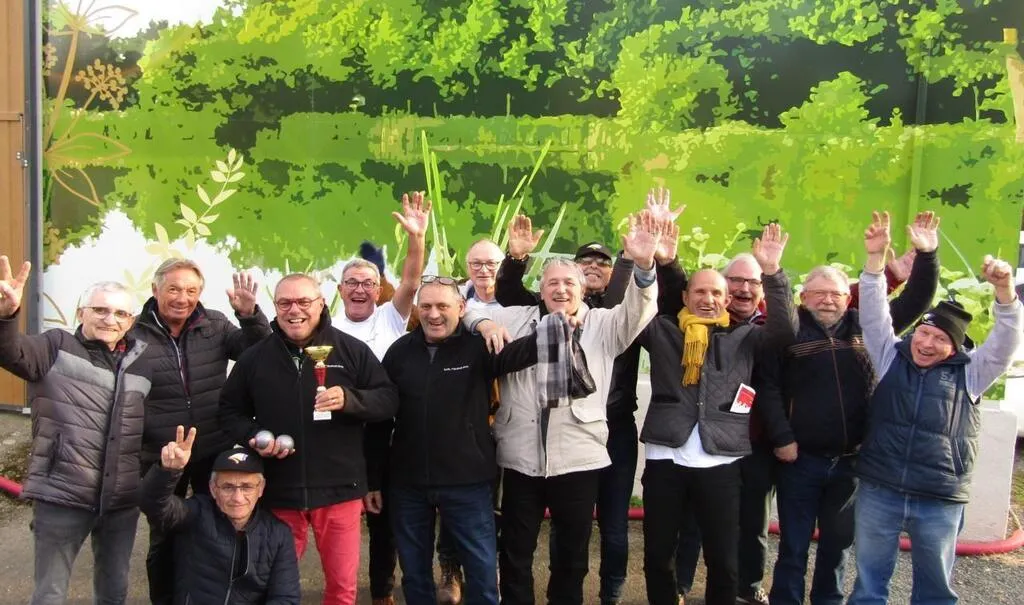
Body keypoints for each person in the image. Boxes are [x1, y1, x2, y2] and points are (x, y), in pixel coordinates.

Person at [464, 210, 664, 605]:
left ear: (582, 290)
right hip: (520, 456)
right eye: (552, 283)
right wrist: (481, 325)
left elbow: (640, 309)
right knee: (516, 551)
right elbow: (464, 309)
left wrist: (644, 266)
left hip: (578, 458)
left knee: (571, 557)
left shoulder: (604, 325)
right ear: (540, 290)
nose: (560, 290)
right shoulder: (514, 318)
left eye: (569, 283)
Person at [762, 213, 940, 605]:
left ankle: (829, 600)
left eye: (837, 294)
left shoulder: (869, 328)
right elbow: (769, 389)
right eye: (819, 293)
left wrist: (927, 255)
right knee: (793, 545)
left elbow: (918, 300)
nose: (828, 300)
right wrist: (782, 437)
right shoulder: (789, 331)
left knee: (838, 545)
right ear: (803, 297)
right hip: (800, 460)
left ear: (849, 298)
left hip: (853, 462)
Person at [849, 212, 1022, 604]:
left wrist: (1005, 291)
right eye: (923, 333)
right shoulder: (890, 356)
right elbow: (874, 316)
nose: (926, 343)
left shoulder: (972, 372)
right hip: (880, 488)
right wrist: (875, 261)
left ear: (955, 347)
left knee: (934, 591)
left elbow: (1006, 341)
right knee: (869, 586)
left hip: (939, 496)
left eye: (939, 339)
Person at [638, 224, 797, 605]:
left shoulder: (746, 338)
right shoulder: (661, 331)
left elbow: (785, 330)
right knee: (658, 555)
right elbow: (627, 311)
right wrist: (648, 262)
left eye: (716, 293)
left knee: (723, 561)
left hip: (721, 463)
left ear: (727, 300)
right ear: (685, 296)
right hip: (665, 458)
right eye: (700, 292)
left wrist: (772, 273)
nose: (708, 299)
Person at [219, 272, 399, 605]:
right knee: (272, 587)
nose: (294, 310)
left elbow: (388, 400)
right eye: (285, 303)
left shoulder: (351, 350)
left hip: (340, 490)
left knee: (342, 589)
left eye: (303, 301)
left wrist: (350, 399)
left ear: (321, 303)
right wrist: (253, 435)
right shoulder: (255, 358)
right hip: (279, 491)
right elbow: (229, 412)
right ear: (275, 307)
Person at [373, 275, 544, 605]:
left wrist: (559, 321)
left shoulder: (479, 348)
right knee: (414, 573)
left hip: (468, 482)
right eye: (426, 306)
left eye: (443, 306)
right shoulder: (399, 353)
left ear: (462, 308)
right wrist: (374, 479)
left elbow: (522, 353)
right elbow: (381, 419)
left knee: (481, 572)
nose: (434, 314)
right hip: (408, 483)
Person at [0, 257, 151, 605]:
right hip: (62, 494)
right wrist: (6, 316)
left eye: (120, 313)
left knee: (114, 591)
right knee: (50, 594)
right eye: (100, 310)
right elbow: (10, 352)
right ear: (81, 313)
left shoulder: (141, 364)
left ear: (130, 321)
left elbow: (149, 424)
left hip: (120, 501)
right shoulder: (54, 347)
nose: (110, 319)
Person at [132, 257, 271, 605]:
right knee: (163, 533)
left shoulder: (216, 324)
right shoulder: (133, 333)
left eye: (191, 290)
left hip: (212, 445)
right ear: (155, 289)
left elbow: (258, 351)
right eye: (174, 289)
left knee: (221, 525)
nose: (183, 298)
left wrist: (250, 316)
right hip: (161, 452)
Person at [334, 193, 429, 605]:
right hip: (338, 434)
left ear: (379, 290)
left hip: (385, 432)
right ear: (340, 289)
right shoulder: (325, 329)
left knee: (382, 520)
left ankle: (381, 592)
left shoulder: (391, 316)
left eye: (368, 284)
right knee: (336, 519)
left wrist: (416, 238)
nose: (360, 289)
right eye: (352, 283)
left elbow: (411, 280)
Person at [141, 428, 300, 604]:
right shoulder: (195, 513)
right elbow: (154, 506)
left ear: (260, 489)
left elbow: (285, 598)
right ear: (213, 489)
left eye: (247, 487)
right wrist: (167, 471)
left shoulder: (278, 534)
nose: (237, 498)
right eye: (228, 487)